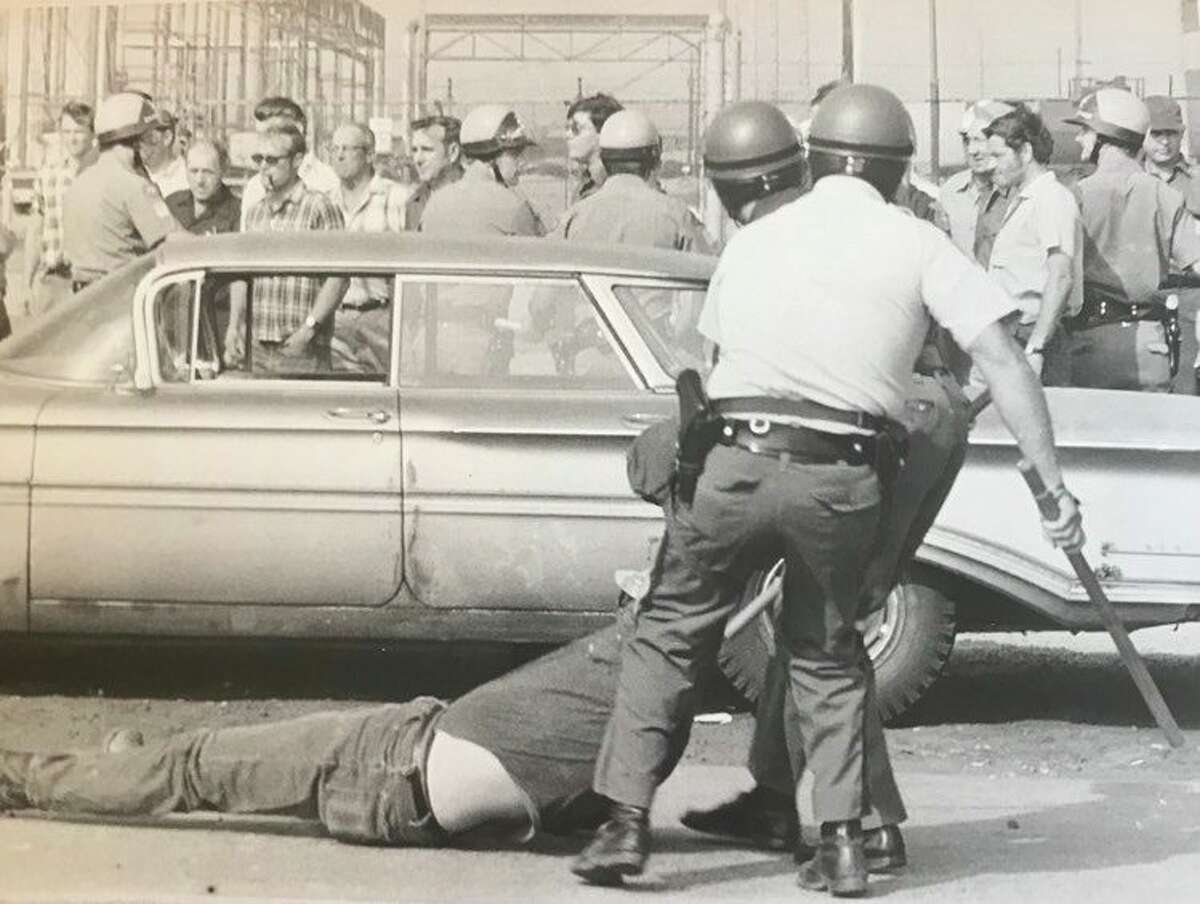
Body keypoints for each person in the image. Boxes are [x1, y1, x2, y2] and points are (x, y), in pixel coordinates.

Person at [573, 83, 1084, 894]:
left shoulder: (757, 238)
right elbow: (1004, 363)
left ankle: (624, 828)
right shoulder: (920, 242)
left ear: (815, 160)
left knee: (669, 632)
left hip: (735, 465)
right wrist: (1052, 493)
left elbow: (712, 366)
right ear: (896, 169)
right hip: (843, 476)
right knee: (827, 651)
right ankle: (843, 843)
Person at [1065, 88, 1200, 392]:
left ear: (1105, 135)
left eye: (1085, 130)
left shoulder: (1074, 196)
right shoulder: (1164, 195)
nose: (1079, 139)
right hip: (1152, 346)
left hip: (1088, 346)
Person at [226, 123, 346, 375]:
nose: (263, 167)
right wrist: (234, 326)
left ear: (296, 160)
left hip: (303, 348)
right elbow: (241, 274)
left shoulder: (319, 207)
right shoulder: (255, 212)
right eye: (259, 159)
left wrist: (308, 329)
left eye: (272, 160)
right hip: (258, 346)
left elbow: (339, 276)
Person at [982, 104, 1082, 384]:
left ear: (1025, 152)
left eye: (998, 156)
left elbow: (1061, 276)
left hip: (1034, 335)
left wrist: (1036, 347)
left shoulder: (1051, 198)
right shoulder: (1024, 200)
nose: (991, 164)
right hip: (1012, 333)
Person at [62, 92, 180, 291]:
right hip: (121, 301)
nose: (152, 144)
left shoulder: (78, 183)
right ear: (134, 140)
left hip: (81, 302)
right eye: (149, 136)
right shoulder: (136, 186)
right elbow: (175, 240)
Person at [555, 108, 711, 252]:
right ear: (655, 160)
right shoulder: (677, 216)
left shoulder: (573, 218)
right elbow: (707, 269)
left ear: (604, 159)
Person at [326, 121, 409, 372]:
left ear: (370, 155)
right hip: (335, 321)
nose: (339, 155)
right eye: (334, 149)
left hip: (381, 318)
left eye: (348, 149)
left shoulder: (397, 198)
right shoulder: (325, 201)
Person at [1142, 95, 1200, 393]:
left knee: (1187, 386)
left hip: (1191, 295)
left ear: (1181, 134)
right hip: (1144, 298)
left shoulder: (1196, 182)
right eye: (1156, 133)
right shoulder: (1133, 182)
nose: (1164, 142)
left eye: (1172, 133)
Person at [420, 104, 544, 237]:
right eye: (515, 153)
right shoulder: (514, 208)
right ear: (492, 156)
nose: (522, 160)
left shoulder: (434, 204)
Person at [24, 101, 98, 318]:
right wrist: (27, 285)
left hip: (91, 282)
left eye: (78, 131)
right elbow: (35, 232)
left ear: (92, 133)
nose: (72, 138)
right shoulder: (48, 175)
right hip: (53, 282)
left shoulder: (102, 176)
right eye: (66, 131)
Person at [238, 96, 339, 231]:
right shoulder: (254, 194)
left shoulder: (326, 183)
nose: (263, 166)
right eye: (258, 159)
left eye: (276, 131)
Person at [938, 99, 1016, 266]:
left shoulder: (1020, 193)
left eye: (981, 140)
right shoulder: (951, 190)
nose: (973, 150)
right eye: (967, 141)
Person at [164, 139, 241, 235]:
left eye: (208, 172)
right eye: (194, 171)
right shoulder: (171, 204)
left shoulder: (238, 213)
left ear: (223, 171)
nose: (199, 181)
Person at [404, 114, 463, 230]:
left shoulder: (473, 196)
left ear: (453, 152)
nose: (418, 159)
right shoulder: (415, 201)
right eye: (414, 150)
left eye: (427, 150)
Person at [566, 92, 624, 202]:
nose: (568, 135)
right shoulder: (583, 185)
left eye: (576, 129)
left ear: (603, 133)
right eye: (568, 129)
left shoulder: (613, 186)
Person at [142, 108, 189, 198]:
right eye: (138, 138)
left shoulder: (188, 178)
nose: (141, 144)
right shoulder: (136, 174)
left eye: (149, 137)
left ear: (167, 138)